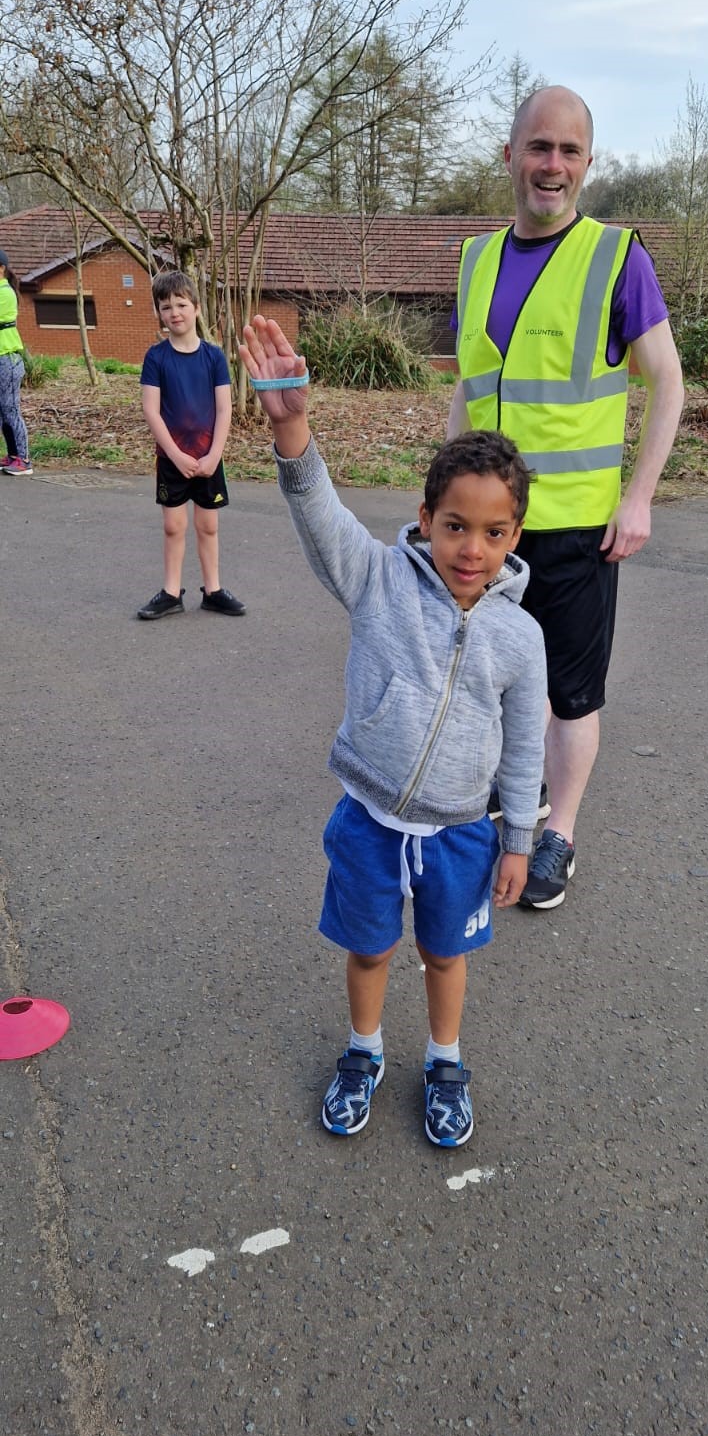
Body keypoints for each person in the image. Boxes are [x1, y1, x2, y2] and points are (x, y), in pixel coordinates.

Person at [239, 315, 547, 1147]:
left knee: (445, 956)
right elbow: (322, 516)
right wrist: (292, 428)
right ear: (425, 519)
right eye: (455, 525)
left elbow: (526, 747)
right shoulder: (379, 579)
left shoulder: (522, 638)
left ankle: (445, 1061)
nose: (472, 548)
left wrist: (519, 841)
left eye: (493, 532)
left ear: (515, 536)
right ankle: (364, 1051)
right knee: (370, 951)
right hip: (369, 820)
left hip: (461, 833)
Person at [448, 84, 684, 909]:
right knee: (488, 679)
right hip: (485, 532)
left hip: (578, 529)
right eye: (539, 147)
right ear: (509, 155)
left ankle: (560, 833)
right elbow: (468, 389)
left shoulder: (616, 257)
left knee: (571, 694)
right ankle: (510, 795)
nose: (553, 165)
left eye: (569, 150)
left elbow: (668, 382)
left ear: (586, 162)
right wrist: (440, 497)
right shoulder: (475, 259)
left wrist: (639, 497)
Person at [137, 270, 245, 619]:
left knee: (208, 526)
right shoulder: (156, 357)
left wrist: (214, 455)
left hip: (208, 458)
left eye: (181, 305)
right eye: (166, 307)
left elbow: (225, 409)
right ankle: (171, 593)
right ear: (158, 312)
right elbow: (151, 411)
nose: (174, 313)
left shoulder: (214, 357)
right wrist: (176, 454)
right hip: (172, 459)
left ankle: (213, 591)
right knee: (174, 527)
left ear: (197, 308)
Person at [0, 250, 32, 476]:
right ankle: (12, 455)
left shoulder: (5, 293)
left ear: (1, 268)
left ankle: (23, 459)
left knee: (10, 409)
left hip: (7, 358)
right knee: (2, 411)